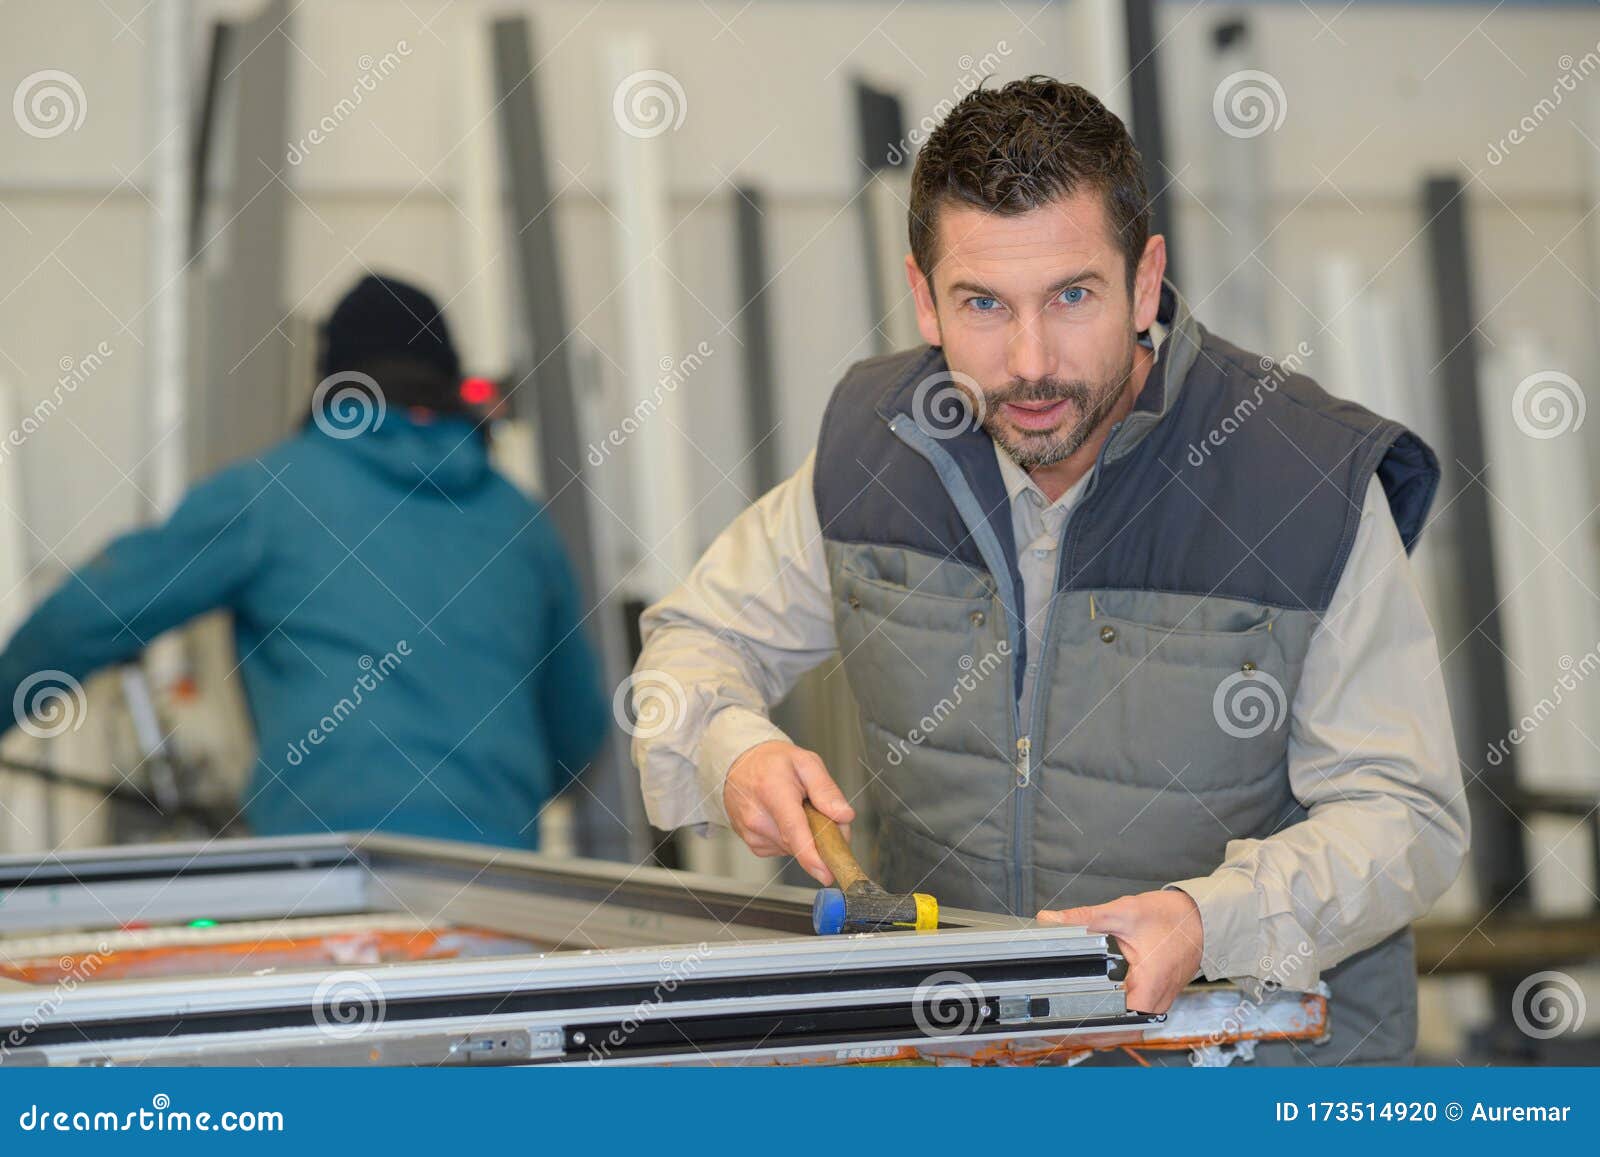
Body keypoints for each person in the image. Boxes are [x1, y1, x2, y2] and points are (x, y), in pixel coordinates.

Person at [630, 78, 1468, 1064]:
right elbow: (693, 643)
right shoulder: (875, 452)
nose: (1029, 362)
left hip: (1247, 1077)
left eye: (1071, 295)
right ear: (922, 298)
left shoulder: (1300, 477)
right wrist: (731, 746)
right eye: (982, 303)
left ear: (1145, 281)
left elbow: (1401, 815)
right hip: (962, 1065)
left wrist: (1210, 920)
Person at [0, 273, 609, 849]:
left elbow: (84, 617)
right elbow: (578, 728)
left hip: (326, 882)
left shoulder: (273, 494)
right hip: (503, 882)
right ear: (450, 383)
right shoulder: (521, 520)